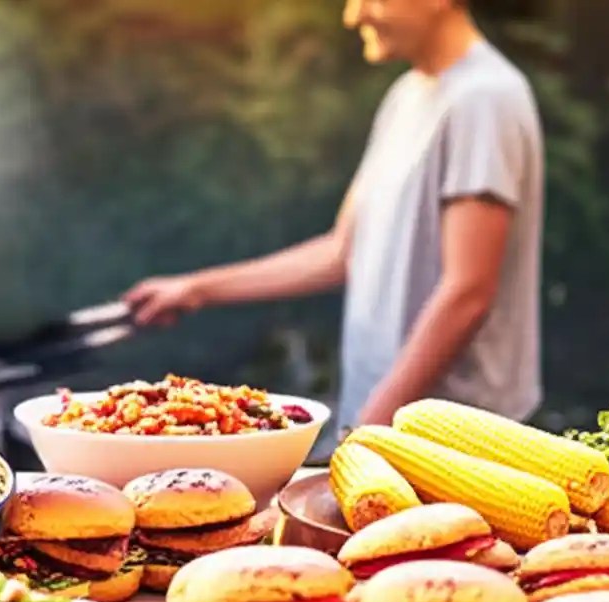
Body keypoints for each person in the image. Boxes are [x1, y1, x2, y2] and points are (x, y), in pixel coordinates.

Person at [122, 0, 544, 430]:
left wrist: (368, 428)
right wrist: (197, 290)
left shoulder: (486, 100)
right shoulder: (407, 96)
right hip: (387, 429)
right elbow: (342, 251)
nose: (353, 15)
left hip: (453, 442)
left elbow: (468, 292)